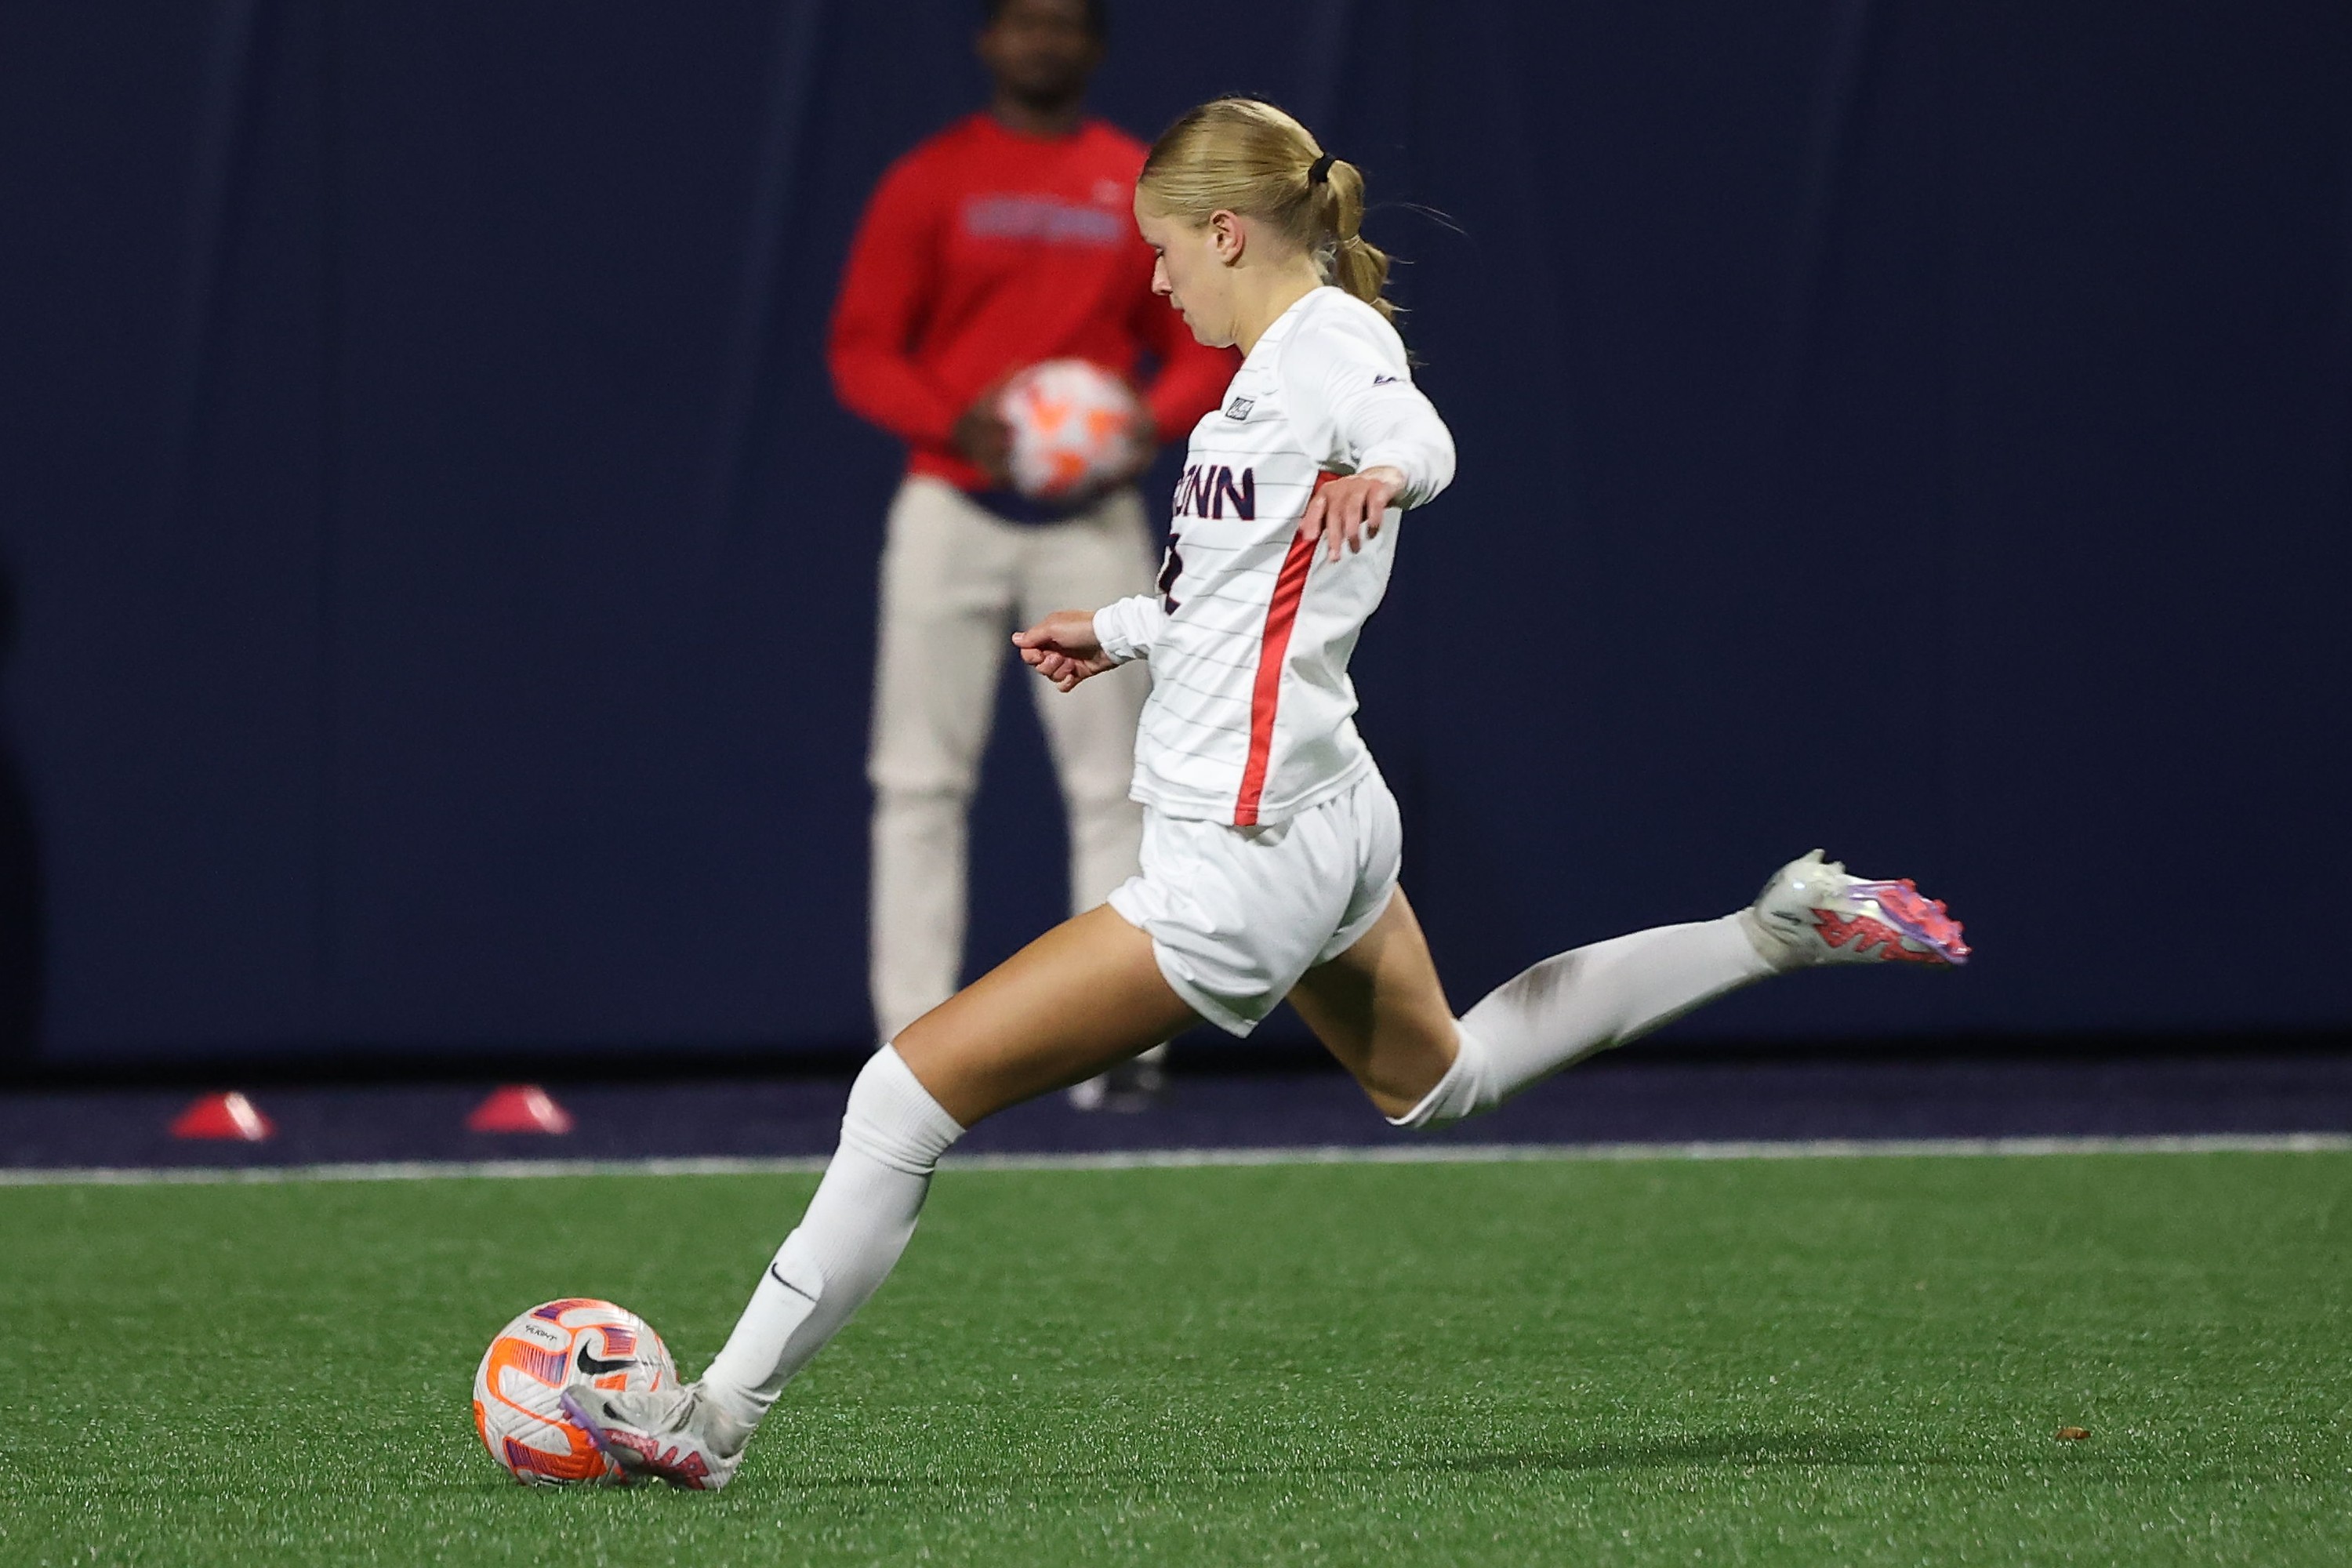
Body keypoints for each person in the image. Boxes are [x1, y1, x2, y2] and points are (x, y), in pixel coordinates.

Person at [569, 98, 1969, 1489]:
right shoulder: (1258, 380)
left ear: (1226, 231)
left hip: (1239, 857)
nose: (1157, 279)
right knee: (1446, 1079)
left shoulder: (1330, 348)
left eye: (1166, 251)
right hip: (1326, 814)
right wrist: (1116, 628)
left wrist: (1387, 472)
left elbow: (1418, 433)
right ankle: (1769, 932)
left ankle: (712, 1426)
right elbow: (1236, 592)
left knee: (899, 1098)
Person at [829, 0, 1234, 1103]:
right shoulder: (931, 180)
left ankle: (1119, 1048)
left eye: (1066, 25)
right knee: (916, 783)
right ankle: (913, 1049)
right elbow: (863, 348)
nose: (1044, 42)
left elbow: (1203, 334)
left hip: (1094, 522)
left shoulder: (1135, 186)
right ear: (989, 41)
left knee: (1122, 785)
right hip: (950, 510)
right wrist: (948, 417)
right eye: (1024, 23)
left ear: (1094, 48)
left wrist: (1152, 422)